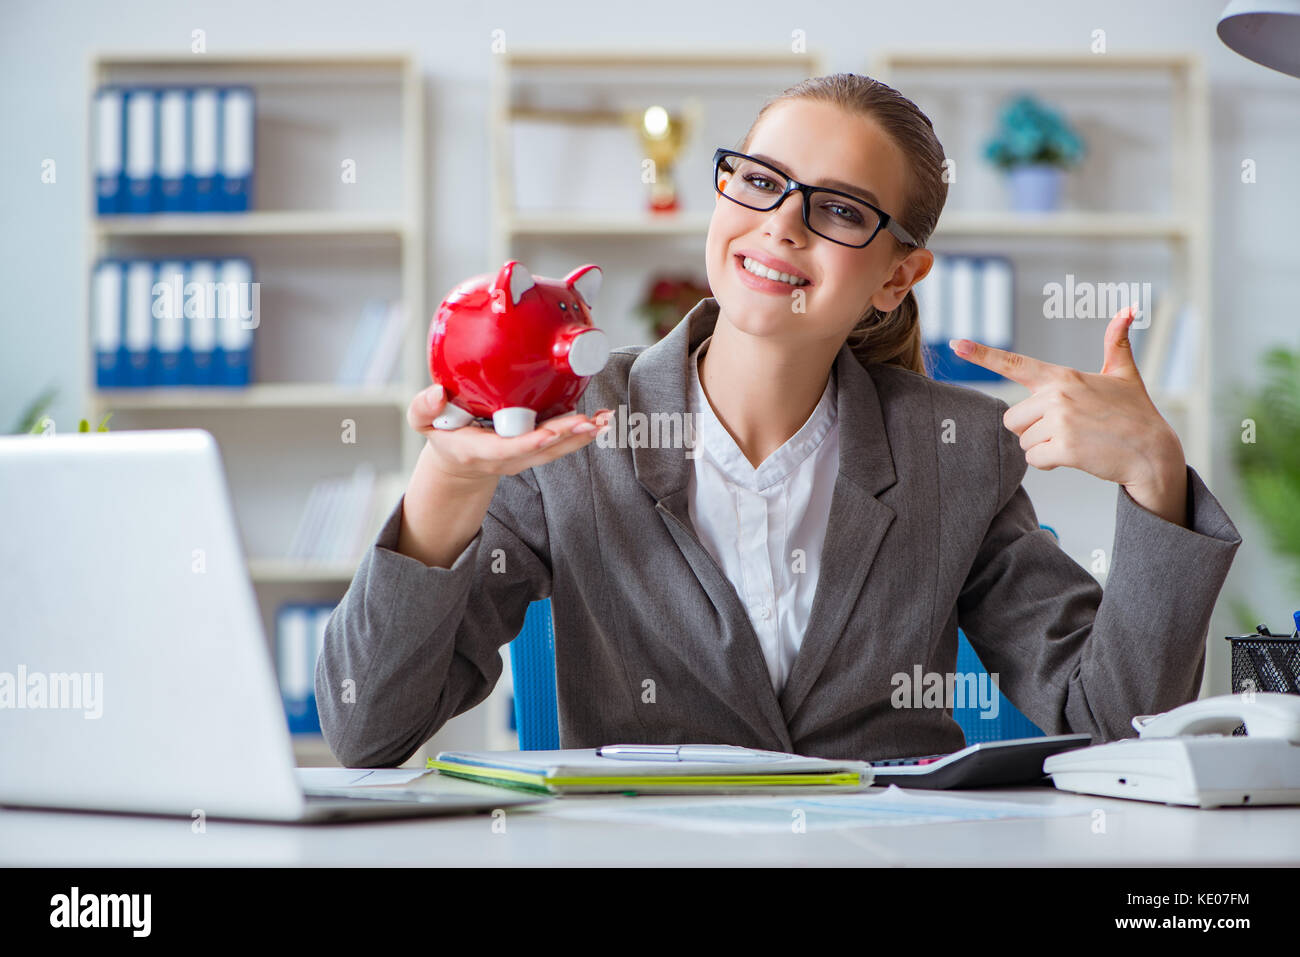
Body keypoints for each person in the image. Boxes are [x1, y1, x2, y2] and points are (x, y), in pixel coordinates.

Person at [316, 73, 1242, 768]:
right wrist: (448, 486)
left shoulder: (954, 451)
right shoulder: (571, 427)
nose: (784, 224)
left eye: (839, 209)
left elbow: (1121, 729)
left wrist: (1156, 480)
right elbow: (367, 732)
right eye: (761, 181)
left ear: (895, 277)